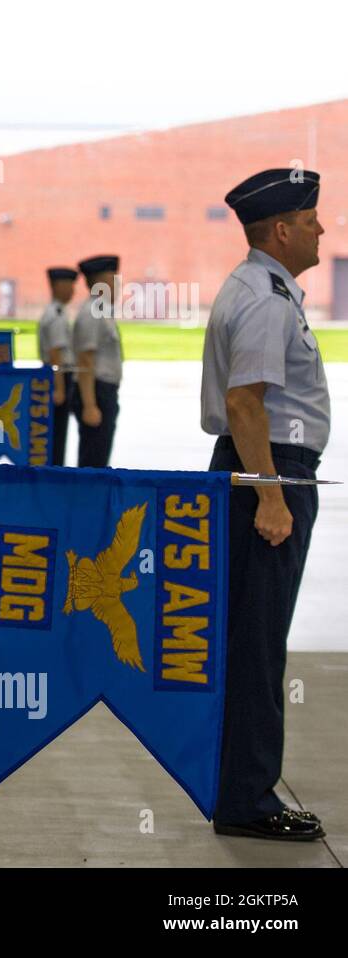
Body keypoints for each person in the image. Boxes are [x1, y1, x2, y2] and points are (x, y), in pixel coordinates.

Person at [202, 167, 328, 841]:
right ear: (282, 229)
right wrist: (271, 498)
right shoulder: (264, 299)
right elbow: (244, 403)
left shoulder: (265, 287)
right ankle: (248, 800)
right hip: (267, 474)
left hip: (266, 471)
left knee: (254, 639)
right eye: (312, 220)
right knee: (257, 644)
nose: (322, 229)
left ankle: (240, 788)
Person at [72, 254, 123, 467]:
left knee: (99, 458)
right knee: (93, 460)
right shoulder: (92, 312)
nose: (117, 287)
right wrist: (90, 405)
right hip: (95, 392)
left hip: (103, 391)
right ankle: (86, 500)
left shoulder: (102, 310)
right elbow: (85, 359)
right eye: (113, 281)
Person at [38, 266, 77, 465]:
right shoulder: (55, 315)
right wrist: (60, 387)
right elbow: (55, 353)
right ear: (58, 286)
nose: (73, 291)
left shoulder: (57, 312)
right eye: (70, 286)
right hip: (58, 377)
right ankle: (54, 470)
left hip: (57, 376)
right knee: (57, 433)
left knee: (58, 431)